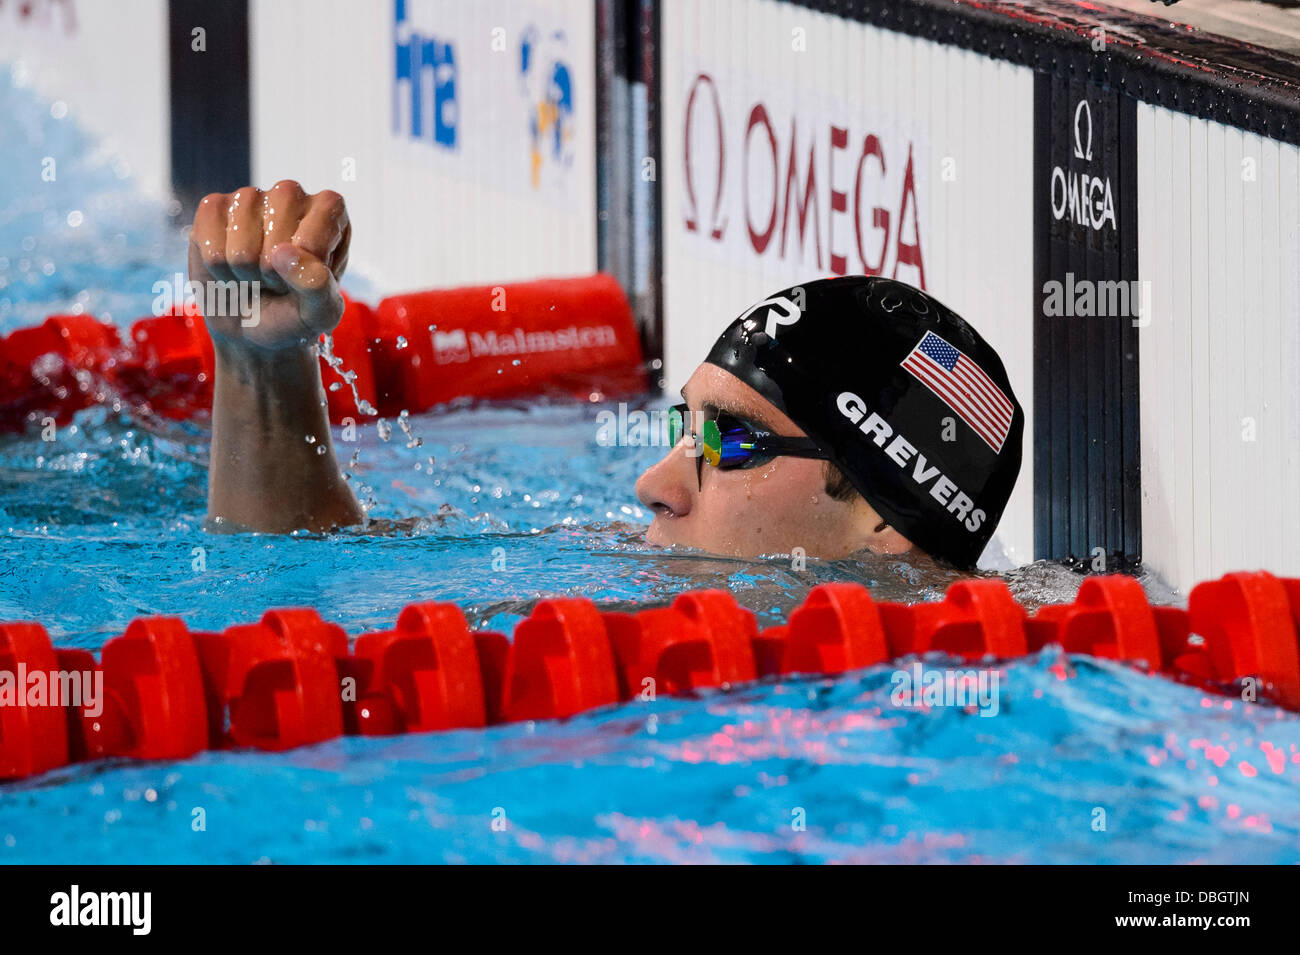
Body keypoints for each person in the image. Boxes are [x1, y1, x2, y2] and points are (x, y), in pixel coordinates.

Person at [191, 181, 1023, 569]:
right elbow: (302, 570)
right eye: (681, 428)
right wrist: (261, 366)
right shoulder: (619, 578)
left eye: (730, 442)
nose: (652, 485)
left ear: (884, 522)